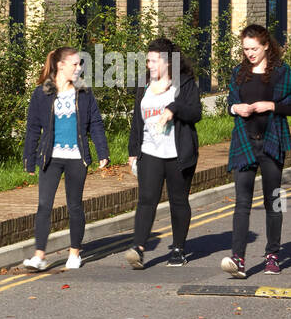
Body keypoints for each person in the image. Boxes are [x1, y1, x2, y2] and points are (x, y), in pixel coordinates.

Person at [221, 23, 291, 277]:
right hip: (244, 142)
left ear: (266, 45)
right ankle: (238, 259)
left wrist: (270, 105)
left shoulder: (282, 73)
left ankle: (272, 255)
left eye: (254, 48)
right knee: (241, 202)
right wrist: (237, 109)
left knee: (274, 201)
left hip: (272, 141)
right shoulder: (238, 73)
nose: (250, 53)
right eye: (246, 49)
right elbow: (229, 103)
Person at [22, 47, 109, 270]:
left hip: (76, 157)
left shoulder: (84, 92)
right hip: (50, 157)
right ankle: (40, 256)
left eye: (80, 64)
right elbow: (32, 128)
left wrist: (102, 152)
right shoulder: (41, 93)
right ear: (60, 65)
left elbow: (96, 123)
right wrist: (29, 159)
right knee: (44, 205)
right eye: (74, 64)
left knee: (75, 206)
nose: (79, 68)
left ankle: (74, 253)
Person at [123, 37, 202, 268]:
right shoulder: (144, 84)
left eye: (155, 61)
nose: (150, 65)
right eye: (148, 61)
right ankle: (138, 248)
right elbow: (137, 120)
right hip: (150, 150)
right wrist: (133, 150)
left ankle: (178, 249)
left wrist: (174, 108)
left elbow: (195, 113)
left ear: (168, 62)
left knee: (178, 201)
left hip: (178, 152)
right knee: (147, 200)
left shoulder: (184, 83)